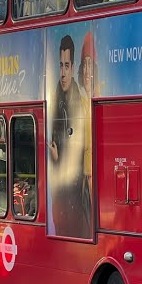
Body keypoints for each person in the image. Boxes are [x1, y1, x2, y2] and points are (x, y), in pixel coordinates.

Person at [49, 33, 86, 237]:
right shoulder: (55, 98)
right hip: (59, 199)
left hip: (73, 199)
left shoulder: (77, 104)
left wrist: (57, 158)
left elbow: (77, 156)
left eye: (66, 66)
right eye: (60, 66)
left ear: (72, 68)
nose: (62, 73)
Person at [77, 32, 99, 223]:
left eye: (90, 65)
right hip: (82, 177)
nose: (86, 71)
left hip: (93, 176)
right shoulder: (78, 99)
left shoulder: (101, 95)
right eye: (84, 65)